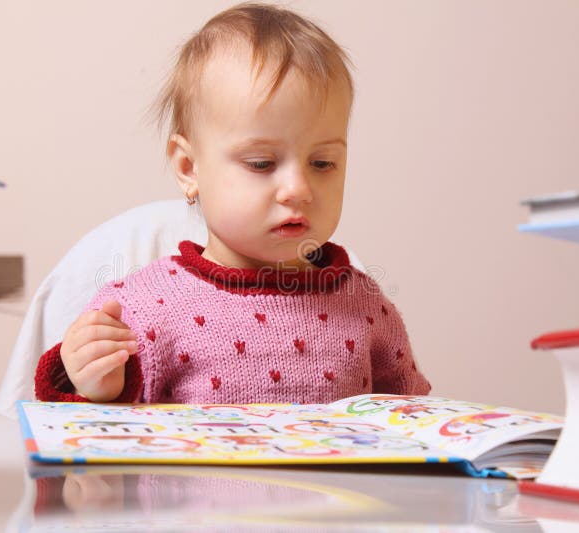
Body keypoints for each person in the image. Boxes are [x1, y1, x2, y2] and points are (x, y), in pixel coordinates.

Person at [34, 2, 431, 404]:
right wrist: (95, 385)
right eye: (261, 163)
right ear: (189, 167)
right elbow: (84, 441)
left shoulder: (365, 306)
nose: (298, 189)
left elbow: (416, 425)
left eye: (322, 163)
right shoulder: (142, 310)